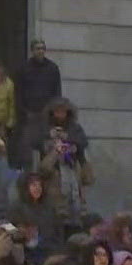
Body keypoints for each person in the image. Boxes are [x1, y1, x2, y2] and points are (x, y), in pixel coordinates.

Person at [33, 99, 93, 234]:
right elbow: (36, 143)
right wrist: (51, 141)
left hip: (72, 170)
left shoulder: (74, 128)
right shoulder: (44, 127)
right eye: (57, 111)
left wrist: (69, 142)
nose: (60, 115)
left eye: (63, 111)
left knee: (76, 211)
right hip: (53, 173)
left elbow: (82, 142)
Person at [13, 40, 62, 162]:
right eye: (37, 48)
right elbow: (18, 92)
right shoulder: (24, 68)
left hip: (47, 116)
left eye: (42, 48)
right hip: (29, 115)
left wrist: (55, 113)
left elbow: (57, 92)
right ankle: (29, 177)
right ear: (32, 51)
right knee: (27, 149)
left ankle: (45, 175)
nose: (40, 51)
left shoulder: (52, 68)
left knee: (47, 148)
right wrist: (23, 112)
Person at [4, 170, 62, 259]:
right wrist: (20, 231)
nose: (38, 188)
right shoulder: (17, 206)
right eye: (34, 185)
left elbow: (57, 229)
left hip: (50, 250)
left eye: (39, 185)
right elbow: (6, 226)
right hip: (27, 252)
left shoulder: (48, 206)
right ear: (25, 187)